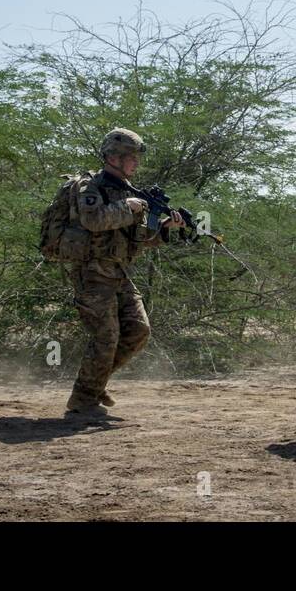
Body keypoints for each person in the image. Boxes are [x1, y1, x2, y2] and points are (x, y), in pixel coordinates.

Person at [65, 128, 184, 418]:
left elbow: (139, 239)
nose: (135, 163)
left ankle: (93, 385)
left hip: (118, 272)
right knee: (106, 336)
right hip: (92, 273)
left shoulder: (130, 193)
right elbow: (93, 221)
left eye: (135, 158)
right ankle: (83, 400)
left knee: (139, 330)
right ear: (112, 157)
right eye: (130, 157)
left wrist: (164, 229)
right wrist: (125, 207)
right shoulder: (90, 187)